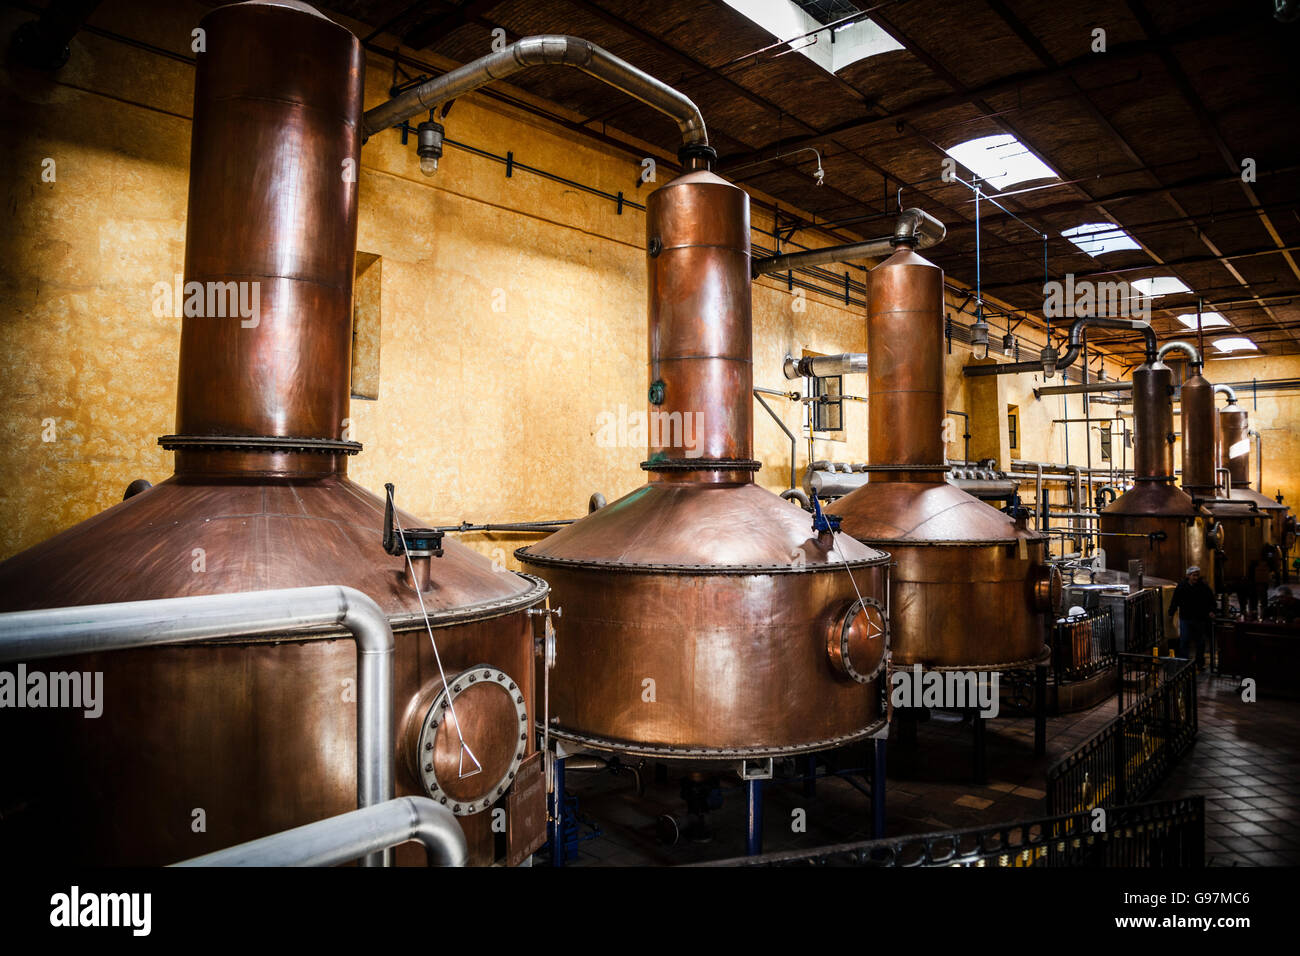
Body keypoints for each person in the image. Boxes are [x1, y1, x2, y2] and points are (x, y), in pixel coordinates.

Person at [1168, 565, 1215, 670]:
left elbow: (1210, 599)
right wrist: (1171, 612)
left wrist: (1211, 610)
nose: (1196, 578)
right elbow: (1175, 600)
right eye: (1194, 575)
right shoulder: (1181, 586)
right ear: (1188, 575)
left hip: (1199, 618)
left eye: (1197, 575)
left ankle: (1199, 664)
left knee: (1200, 642)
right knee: (1184, 641)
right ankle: (1184, 664)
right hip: (1185, 618)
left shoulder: (1203, 586)